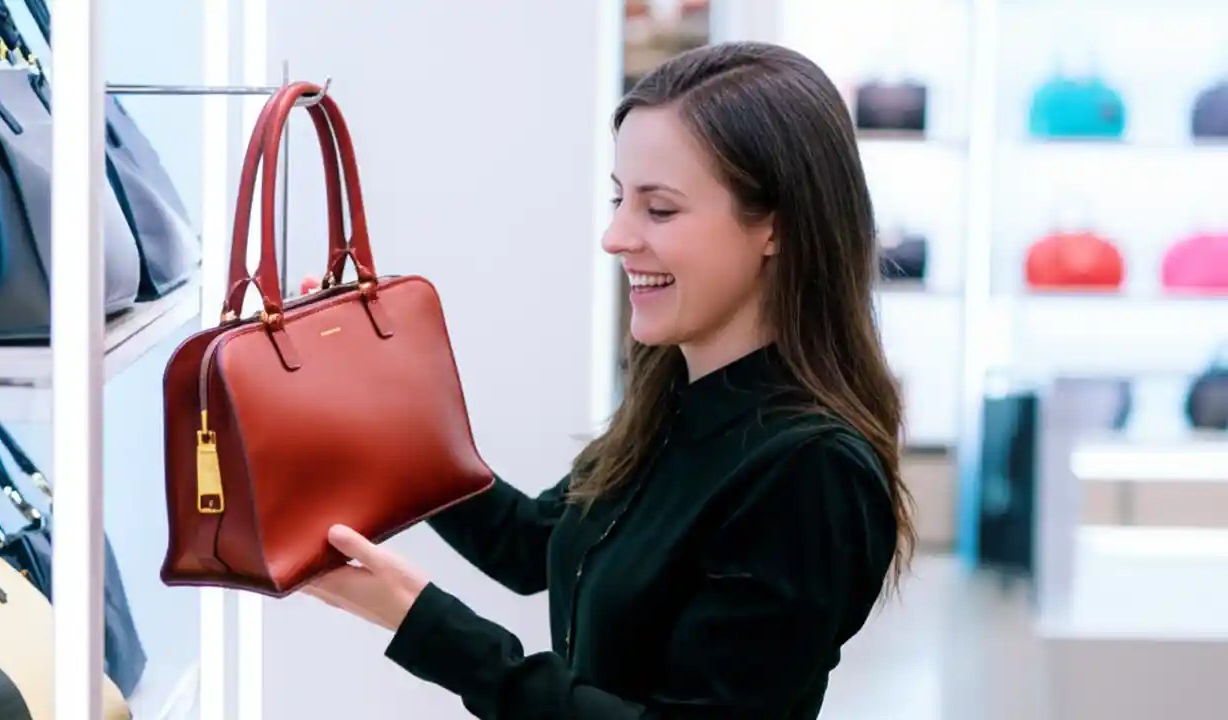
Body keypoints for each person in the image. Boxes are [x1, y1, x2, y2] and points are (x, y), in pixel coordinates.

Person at [303, 41, 914, 719]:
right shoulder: (674, 396)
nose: (615, 236)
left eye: (659, 210)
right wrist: (377, 399)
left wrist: (424, 623)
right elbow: (531, 542)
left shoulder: (811, 473)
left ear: (774, 225)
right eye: (620, 199)